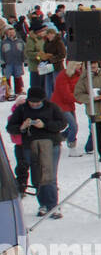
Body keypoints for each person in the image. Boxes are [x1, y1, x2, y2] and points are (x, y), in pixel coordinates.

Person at [7, 83, 68, 215]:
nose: (34, 104)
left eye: (37, 102)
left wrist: (45, 125)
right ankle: (43, 204)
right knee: (38, 175)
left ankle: (53, 204)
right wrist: (22, 127)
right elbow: (10, 127)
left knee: (49, 174)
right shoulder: (22, 109)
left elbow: (62, 124)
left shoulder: (52, 107)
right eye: (31, 102)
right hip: (31, 145)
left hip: (51, 144)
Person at [52, 60, 84, 154]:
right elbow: (65, 94)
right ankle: (71, 145)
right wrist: (80, 99)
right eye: (78, 64)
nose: (80, 66)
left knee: (72, 125)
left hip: (69, 104)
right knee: (73, 126)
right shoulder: (63, 75)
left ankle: (59, 137)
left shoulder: (78, 75)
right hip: (60, 104)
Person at [2, 24, 25, 99]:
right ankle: (8, 92)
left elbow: (24, 51)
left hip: (18, 62)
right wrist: (2, 62)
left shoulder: (20, 41)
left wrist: (25, 60)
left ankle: (19, 92)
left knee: (18, 77)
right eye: (9, 31)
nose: (11, 33)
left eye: (12, 31)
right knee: (6, 78)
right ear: (6, 33)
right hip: (7, 63)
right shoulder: (3, 42)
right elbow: (0, 53)